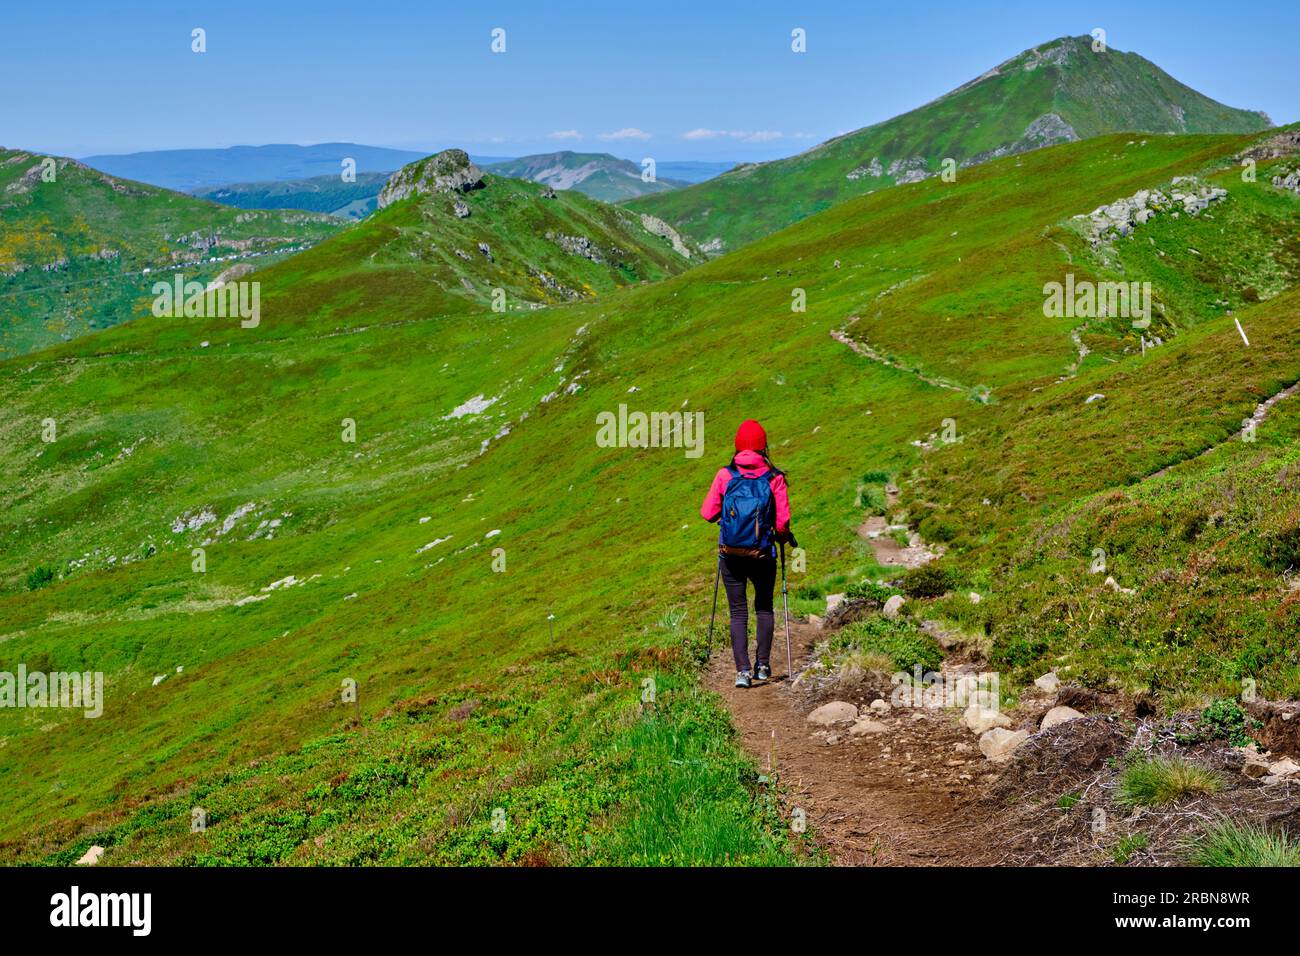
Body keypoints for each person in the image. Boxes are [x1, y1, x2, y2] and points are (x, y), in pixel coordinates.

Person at [700, 419, 793, 688]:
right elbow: (782, 523)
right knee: (764, 607)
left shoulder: (725, 476)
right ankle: (762, 665)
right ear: (764, 445)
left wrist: (728, 518)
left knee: (737, 612)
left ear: (738, 445)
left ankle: (742, 672)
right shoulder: (775, 478)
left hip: (731, 555)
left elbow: (707, 514)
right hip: (763, 554)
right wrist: (782, 537)